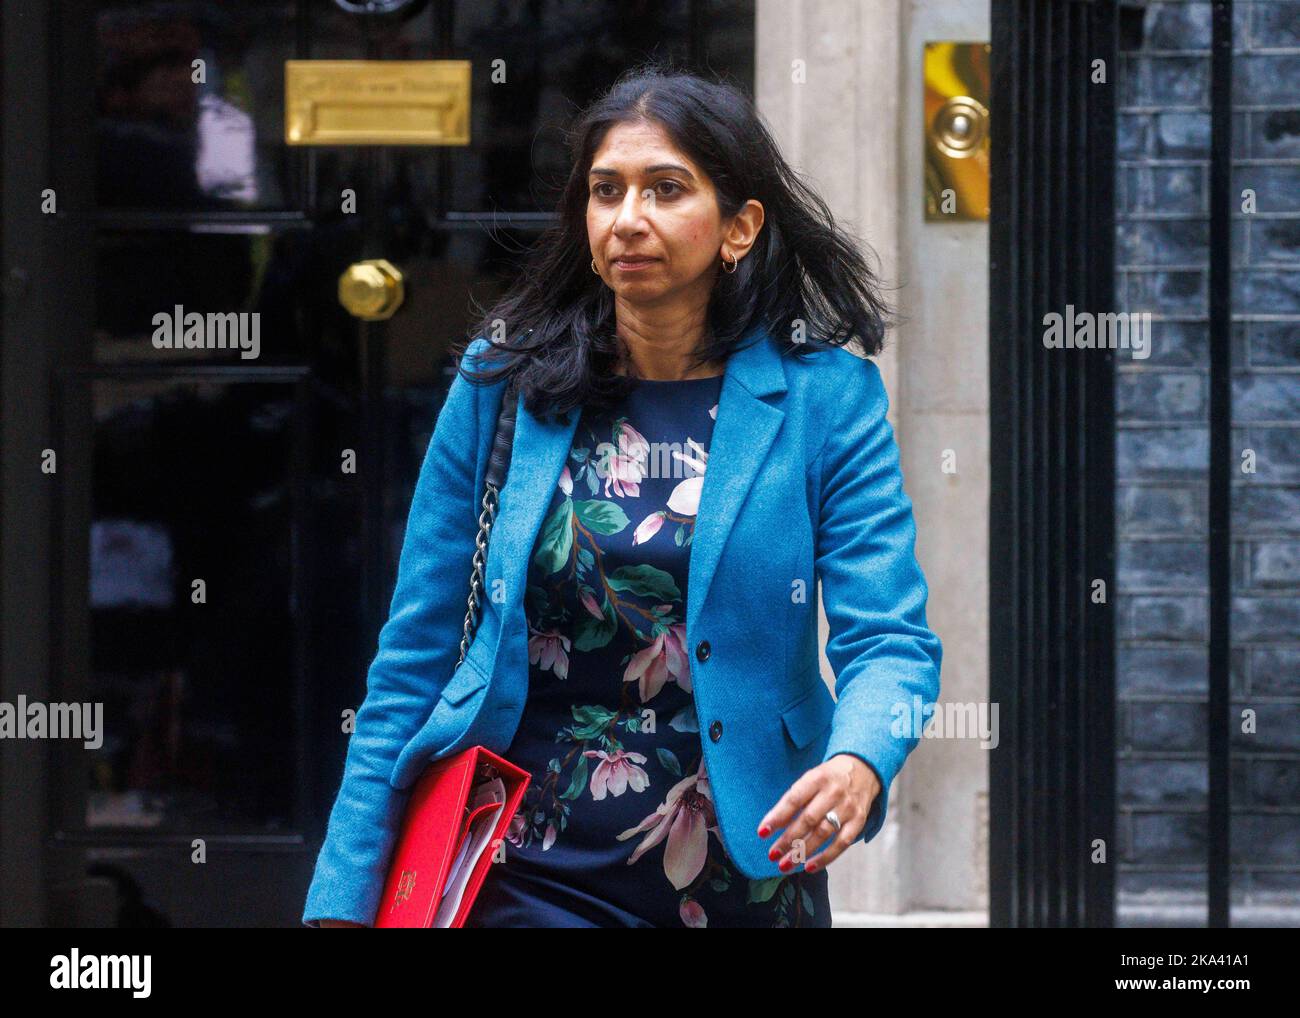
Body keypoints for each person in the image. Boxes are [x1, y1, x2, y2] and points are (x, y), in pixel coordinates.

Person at [304, 63, 942, 928]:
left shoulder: (825, 402)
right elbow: (415, 652)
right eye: (607, 192)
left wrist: (861, 758)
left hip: (750, 863)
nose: (628, 219)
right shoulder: (505, 384)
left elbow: (892, 640)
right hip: (529, 863)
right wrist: (340, 902)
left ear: (739, 227)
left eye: (666, 190)